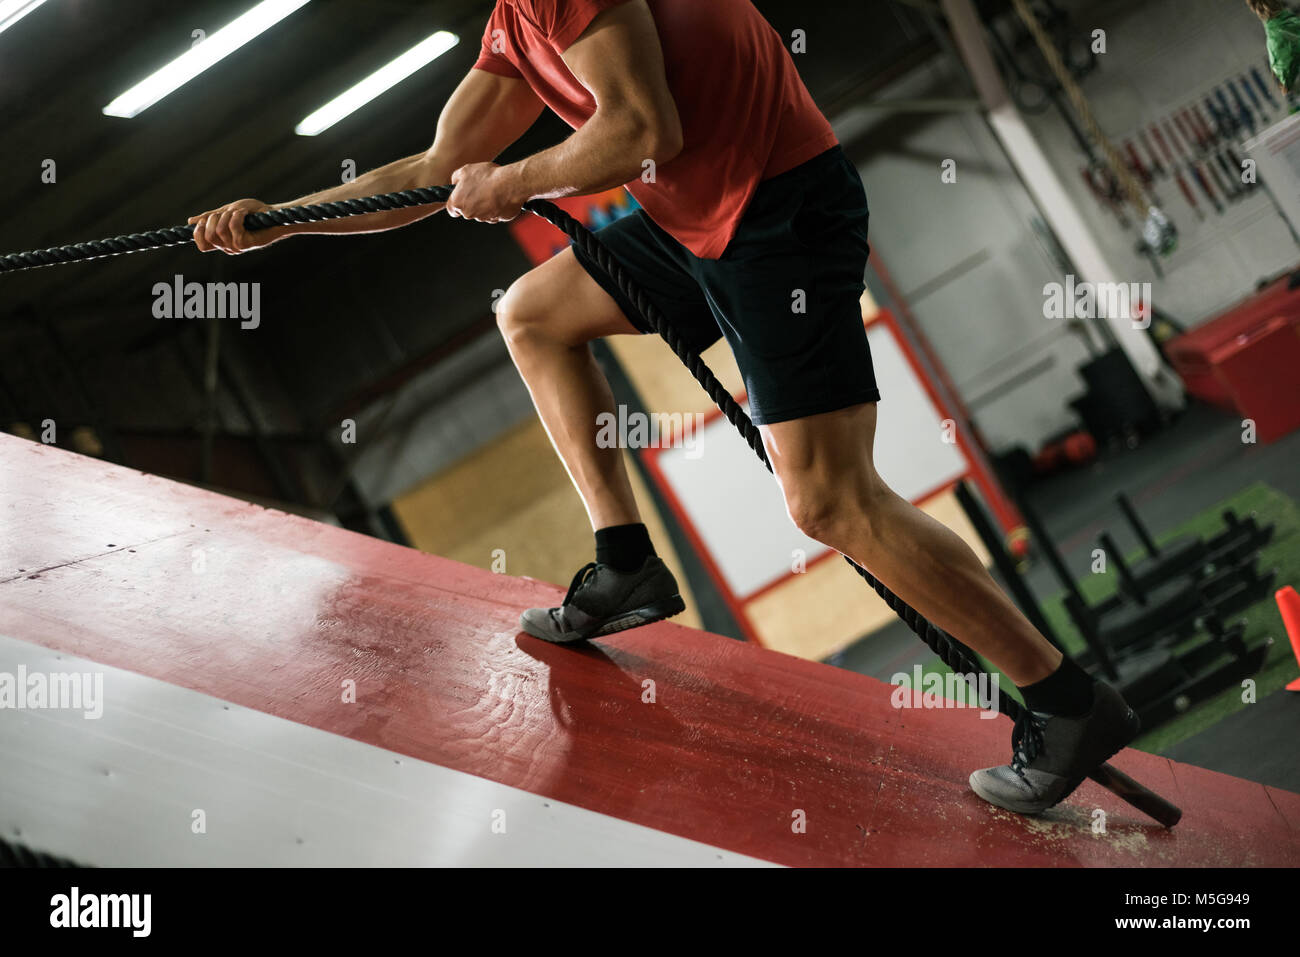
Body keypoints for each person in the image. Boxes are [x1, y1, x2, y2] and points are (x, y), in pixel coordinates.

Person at [190, 0, 1148, 817]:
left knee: (831, 503)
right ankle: (626, 565)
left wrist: (513, 183)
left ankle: (1066, 703)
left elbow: (644, 130)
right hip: (697, 220)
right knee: (532, 313)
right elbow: (439, 167)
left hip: (778, 212)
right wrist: (279, 219)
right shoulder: (517, 19)